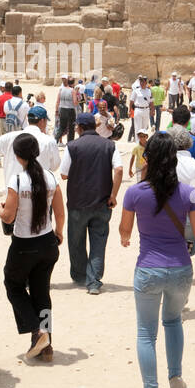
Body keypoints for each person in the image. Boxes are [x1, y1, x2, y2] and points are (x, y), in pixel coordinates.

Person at [119, 131, 195, 388]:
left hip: (148, 267)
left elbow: (125, 230)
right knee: (173, 323)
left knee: (146, 333)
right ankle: (176, 380)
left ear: (147, 159)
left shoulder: (135, 193)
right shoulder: (188, 193)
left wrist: (126, 237)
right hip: (180, 267)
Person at [0, 134, 65, 362]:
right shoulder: (50, 178)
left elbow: (8, 217)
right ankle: (46, 347)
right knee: (42, 292)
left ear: (17, 156)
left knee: (13, 284)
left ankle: (38, 330)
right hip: (47, 242)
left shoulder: (17, 180)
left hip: (24, 244)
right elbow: (59, 212)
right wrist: (59, 232)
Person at [59, 113, 124, 294]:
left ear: (79, 127)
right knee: (98, 242)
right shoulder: (109, 145)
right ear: (94, 127)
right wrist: (114, 195)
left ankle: (80, 276)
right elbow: (118, 169)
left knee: (76, 241)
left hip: (78, 203)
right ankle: (93, 280)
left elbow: (63, 174)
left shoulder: (72, 146)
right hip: (102, 202)